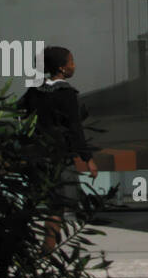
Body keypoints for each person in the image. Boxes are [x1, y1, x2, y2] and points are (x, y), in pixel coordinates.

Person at [19, 47, 97, 254]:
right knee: (59, 203)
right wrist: (88, 158)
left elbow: (20, 112)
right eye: (71, 62)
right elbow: (75, 128)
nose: (74, 65)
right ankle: (49, 244)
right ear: (62, 68)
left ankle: (20, 239)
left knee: (36, 199)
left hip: (36, 154)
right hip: (59, 156)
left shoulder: (34, 92)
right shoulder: (67, 95)